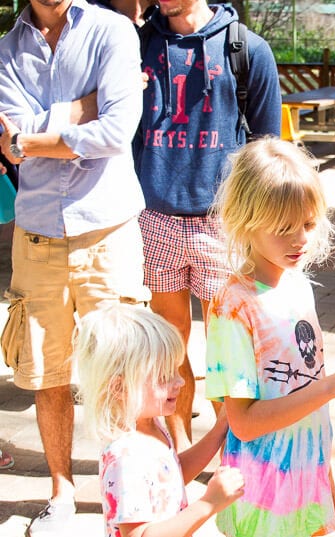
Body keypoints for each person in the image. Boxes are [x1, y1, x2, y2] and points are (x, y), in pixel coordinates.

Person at [0, 0, 151, 534]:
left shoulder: (112, 30)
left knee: (122, 370)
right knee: (47, 373)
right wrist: (83, 108)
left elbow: (117, 132)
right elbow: (11, 142)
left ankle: (127, 490)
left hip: (107, 229)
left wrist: (37, 136)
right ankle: (61, 496)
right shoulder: (7, 48)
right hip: (36, 234)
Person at [204, 137, 335, 536]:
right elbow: (243, 423)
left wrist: (325, 478)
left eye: (308, 224)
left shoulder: (298, 285)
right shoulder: (235, 307)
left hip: (306, 476)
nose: (300, 239)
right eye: (284, 229)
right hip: (263, 490)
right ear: (244, 219)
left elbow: (306, 394)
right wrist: (331, 387)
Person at [134, 0, 282, 452]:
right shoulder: (134, 44)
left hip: (221, 222)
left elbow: (267, 146)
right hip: (153, 215)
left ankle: (234, 448)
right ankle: (180, 447)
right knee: (169, 341)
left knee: (228, 346)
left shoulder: (246, 49)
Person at [73, 303, 245, 537]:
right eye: (164, 376)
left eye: (175, 370)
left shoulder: (152, 425)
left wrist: (218, 431)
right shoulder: (126, 458)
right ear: (119, 387)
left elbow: (171, 476)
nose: (179, 382)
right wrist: (208, 503)